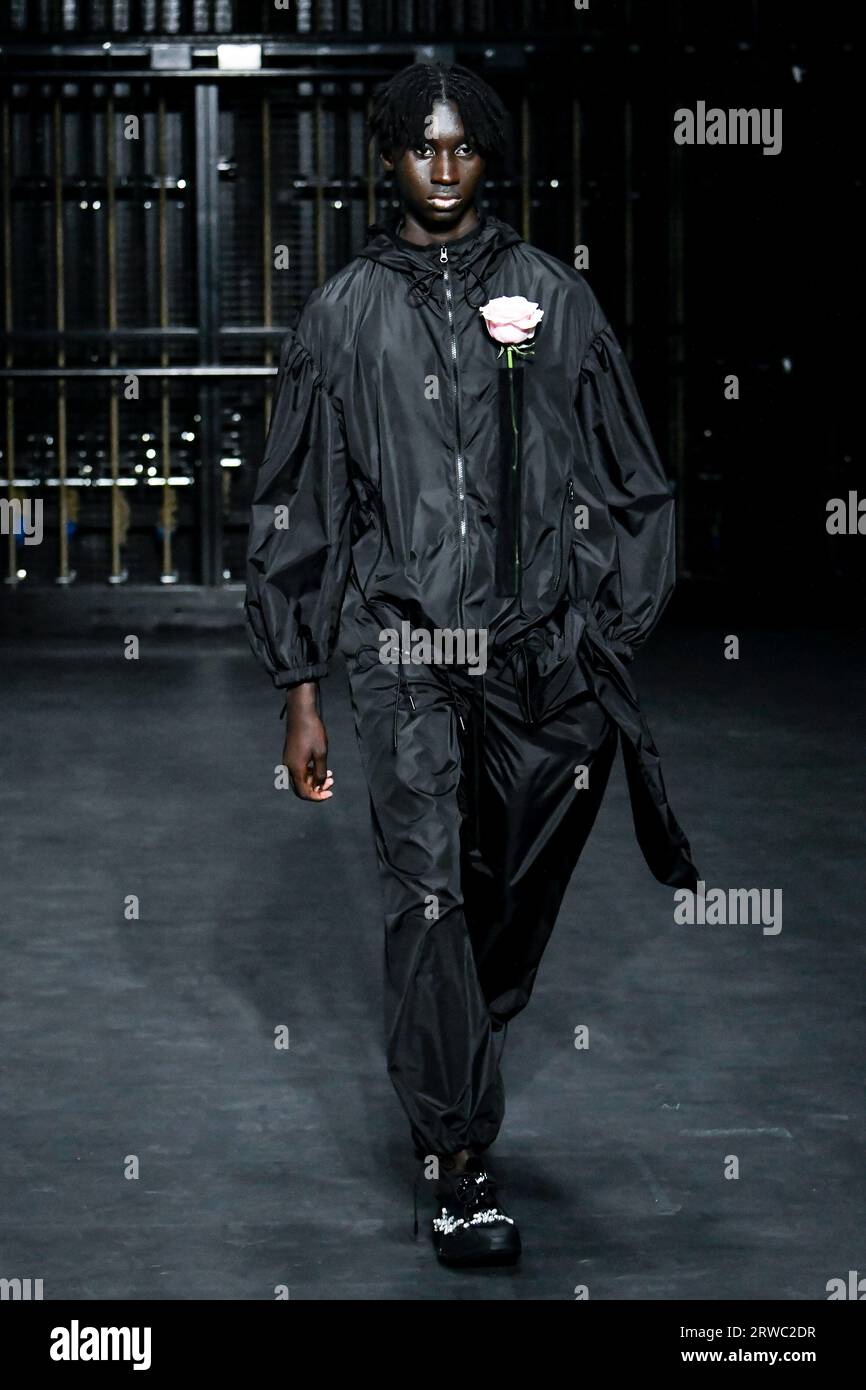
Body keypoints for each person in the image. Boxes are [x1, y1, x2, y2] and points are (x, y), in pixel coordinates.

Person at [244, 62, 699, 1267]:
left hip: (535, 657)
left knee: (504, 899)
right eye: (418, 148)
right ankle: (454, 1162)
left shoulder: (551, 296)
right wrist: (301, 692)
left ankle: (460, 1051)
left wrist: (604, 627)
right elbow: (298, 505)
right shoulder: (341, 314)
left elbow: (631, 475)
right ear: (387, 157)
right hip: (403, 652)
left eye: (462, 149)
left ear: (487, 158)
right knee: (430, 891)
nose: (441, 170)